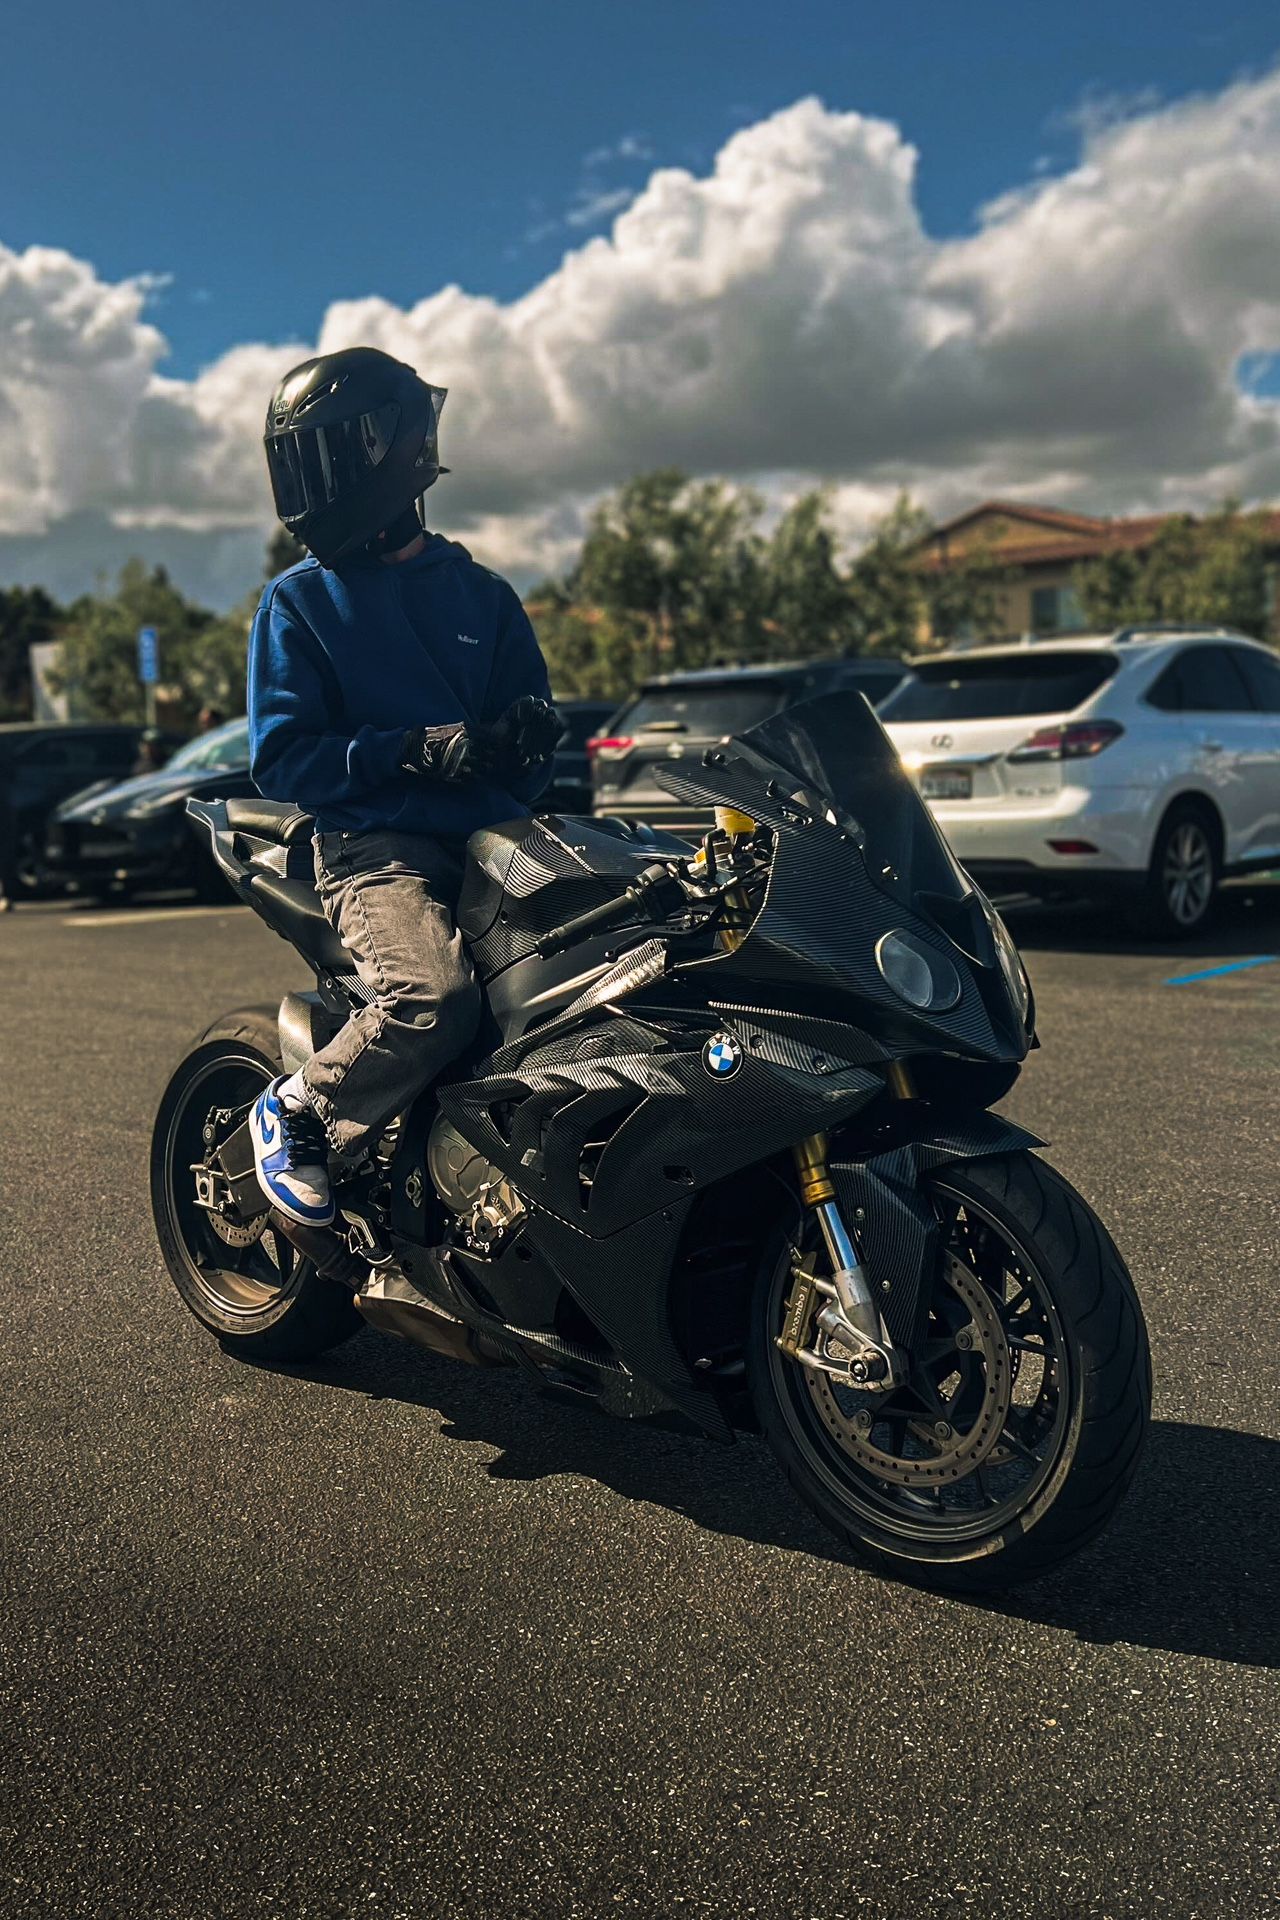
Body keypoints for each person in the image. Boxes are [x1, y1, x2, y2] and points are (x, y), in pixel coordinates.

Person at [246, 346, 558, 1228]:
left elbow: (524, 754)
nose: (306, 482)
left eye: (319, 457)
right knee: (434, 999)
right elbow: (285, 758)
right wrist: (415, 752)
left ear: (387, 451)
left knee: (604, 978)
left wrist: (525, 743)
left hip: (496, 842)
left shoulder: (483, 596)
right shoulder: (300, 602)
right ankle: (301, 1107)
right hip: (373, 847)